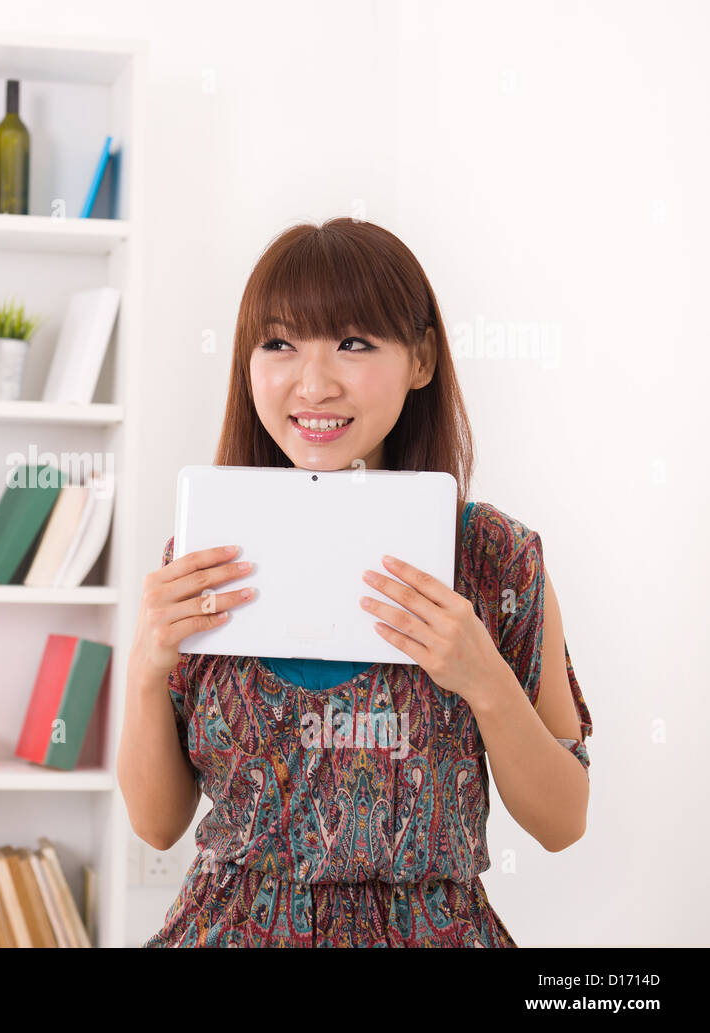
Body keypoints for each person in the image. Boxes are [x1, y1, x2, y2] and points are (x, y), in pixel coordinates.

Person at [119, 218, 593, 947]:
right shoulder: (206, 548)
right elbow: (157, 826)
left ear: (422, 359)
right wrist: (149, 668)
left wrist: (483, 679)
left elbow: (564, 823)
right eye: (278, 343)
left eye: (354, 343)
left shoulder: (497, 559)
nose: (313, 382)